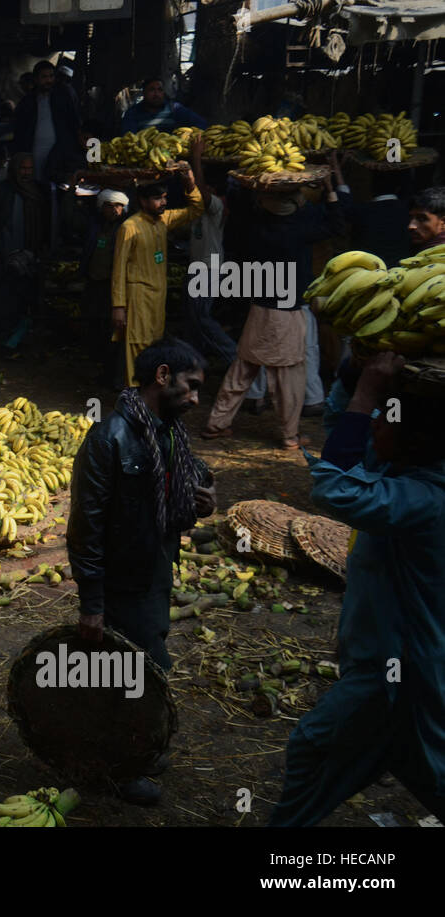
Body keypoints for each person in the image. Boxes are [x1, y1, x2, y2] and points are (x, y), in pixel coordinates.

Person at [270, 352, 445, 826]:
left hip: (397, 674)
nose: (371, 426)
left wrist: (368, 394)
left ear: (415, 439)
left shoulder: (423, 501)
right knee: (412, 767)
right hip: (388, 669)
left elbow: (334, 487)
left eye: (381, 421)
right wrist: (354, 381)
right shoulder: (405, 473)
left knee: (313, 748)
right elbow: (345, 436)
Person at [68, 337, 216, 805]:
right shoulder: (109, 438)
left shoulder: (170, 433)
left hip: (153, 578)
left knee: (149, 670)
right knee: (121, 680)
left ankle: (134, 751)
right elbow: (85, 527)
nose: (196, 399)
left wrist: (201, 497)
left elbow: (179, 487)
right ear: (163, 376)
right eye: (191, 387)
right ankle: (114, 769)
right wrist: (92, 604)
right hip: (117, 586)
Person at [202, 174, 346, 450]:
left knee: (242, 368)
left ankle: (215, 424)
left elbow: (242, 212)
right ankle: (290, 435)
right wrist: (330, 191)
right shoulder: (302, 227)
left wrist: (248, 187)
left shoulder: (256, 227)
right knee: (289, 375)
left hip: (260, 309)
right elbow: (337, 224)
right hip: (288, 312)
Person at [111, 140, 204, 386]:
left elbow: (196, 209)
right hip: (138, 297)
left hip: (158, 298)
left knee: (155, 347)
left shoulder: (164, 220)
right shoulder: (130, 227)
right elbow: (118, 269)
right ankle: (134, 396)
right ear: (142, 201)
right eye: (157, 199)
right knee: (137, 347)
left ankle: (150, 396)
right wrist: (118, 305)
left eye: (164, 198)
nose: (163, 203)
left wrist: (190, 184)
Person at [0, 151, 50, 350]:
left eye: (30, 169)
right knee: (8, 298)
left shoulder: (39, 192)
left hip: (31, 254)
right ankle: (6, 340)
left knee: (28, 297)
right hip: (8, 254)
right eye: (23, 168)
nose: (26, 173)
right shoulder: (2, 191)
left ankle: (20, 339)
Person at [183, 158, 237, 368]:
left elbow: (201, 194)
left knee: (201, 318)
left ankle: (233, 356)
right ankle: (194, 363)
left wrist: (195, 163)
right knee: (192, 320)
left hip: (208, 269)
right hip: (197, 268)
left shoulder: (215, 205)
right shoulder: (199, 211)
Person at [78, 189, 128, 386]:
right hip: (94, 285)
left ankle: (115, 376)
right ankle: (104, 371)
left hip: (113, 288)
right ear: (102, 207)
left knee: (113, 334)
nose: (115, 210)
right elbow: (71, 219)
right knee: (95, 330)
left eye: (119, 206)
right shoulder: (95, 225)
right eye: (110, 205)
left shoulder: (126, 228)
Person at [11, 59, 82, 183]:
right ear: (36, 79)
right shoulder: (28, 101)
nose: (48, 80)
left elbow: (74, 122)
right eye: (44, 77)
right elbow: (20, 129)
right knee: (37, 182)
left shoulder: (63, 96)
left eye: (51, 76)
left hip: (60, 150)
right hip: (35, 151)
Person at [336, 169, 413, 267]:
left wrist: (337, 170)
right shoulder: (409, 211)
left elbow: (344, 205)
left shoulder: (361, 211)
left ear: (371, 187)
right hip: (402, 270)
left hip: (367, 271)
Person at [119, 77, 207, 133]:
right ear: (144, 93)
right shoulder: (133, 113)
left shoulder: (174, 108)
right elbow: (128, 136)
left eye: (160, 90)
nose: (156, 94)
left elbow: (201, 123)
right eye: (152, 90)